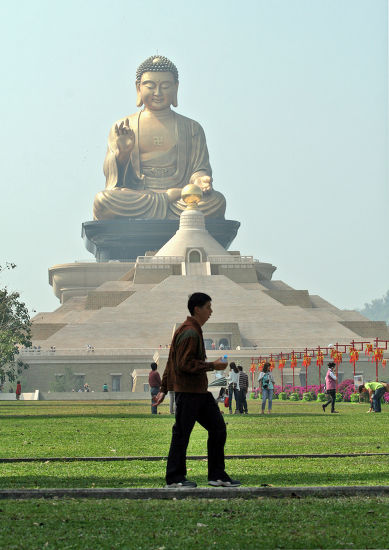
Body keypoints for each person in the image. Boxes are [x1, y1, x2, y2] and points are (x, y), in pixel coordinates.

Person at [93, 55, 226, 221]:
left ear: (176, 88)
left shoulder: (192, 128)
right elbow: (113, 181)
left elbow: (199, 168)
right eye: (150, 86)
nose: (158, 93)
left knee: (216, 202)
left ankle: (172, 198)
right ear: (138, 88)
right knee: (103, 201)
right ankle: (169, 199)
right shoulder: (123, 126)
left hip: (181, 200)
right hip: (139, 196)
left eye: (165, 86)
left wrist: (200, 180)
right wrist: (123, 153)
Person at [154, 292, 241, 488]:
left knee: (217, 428)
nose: (211, 311)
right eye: (208, 307)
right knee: (182, 434)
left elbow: (171, 362)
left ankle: (217, 476)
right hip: (189, 392)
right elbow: (183, 364)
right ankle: (175, 479)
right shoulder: (190, 332)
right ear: (197, 309)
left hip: (199, 393)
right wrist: (213, 365)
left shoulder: (190, 330)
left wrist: (163, 389)